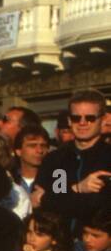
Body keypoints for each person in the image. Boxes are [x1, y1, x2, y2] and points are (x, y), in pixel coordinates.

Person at [35, 90, 111, 236]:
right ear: (69, 121)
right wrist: (78, 188)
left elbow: (99, 206)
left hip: (99, 250)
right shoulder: (57, 159)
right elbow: (52, 205)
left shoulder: (108, 158)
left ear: (102, 120)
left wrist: (47, 198)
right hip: (61, 246)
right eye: (76, 118)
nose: (82, 123)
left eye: (90, 118)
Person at [14, 125, 50, 196]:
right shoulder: (9, 180)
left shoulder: (56, 178)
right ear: (18, 151)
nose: (39, 151)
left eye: (43, 146)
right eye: (32, 146)